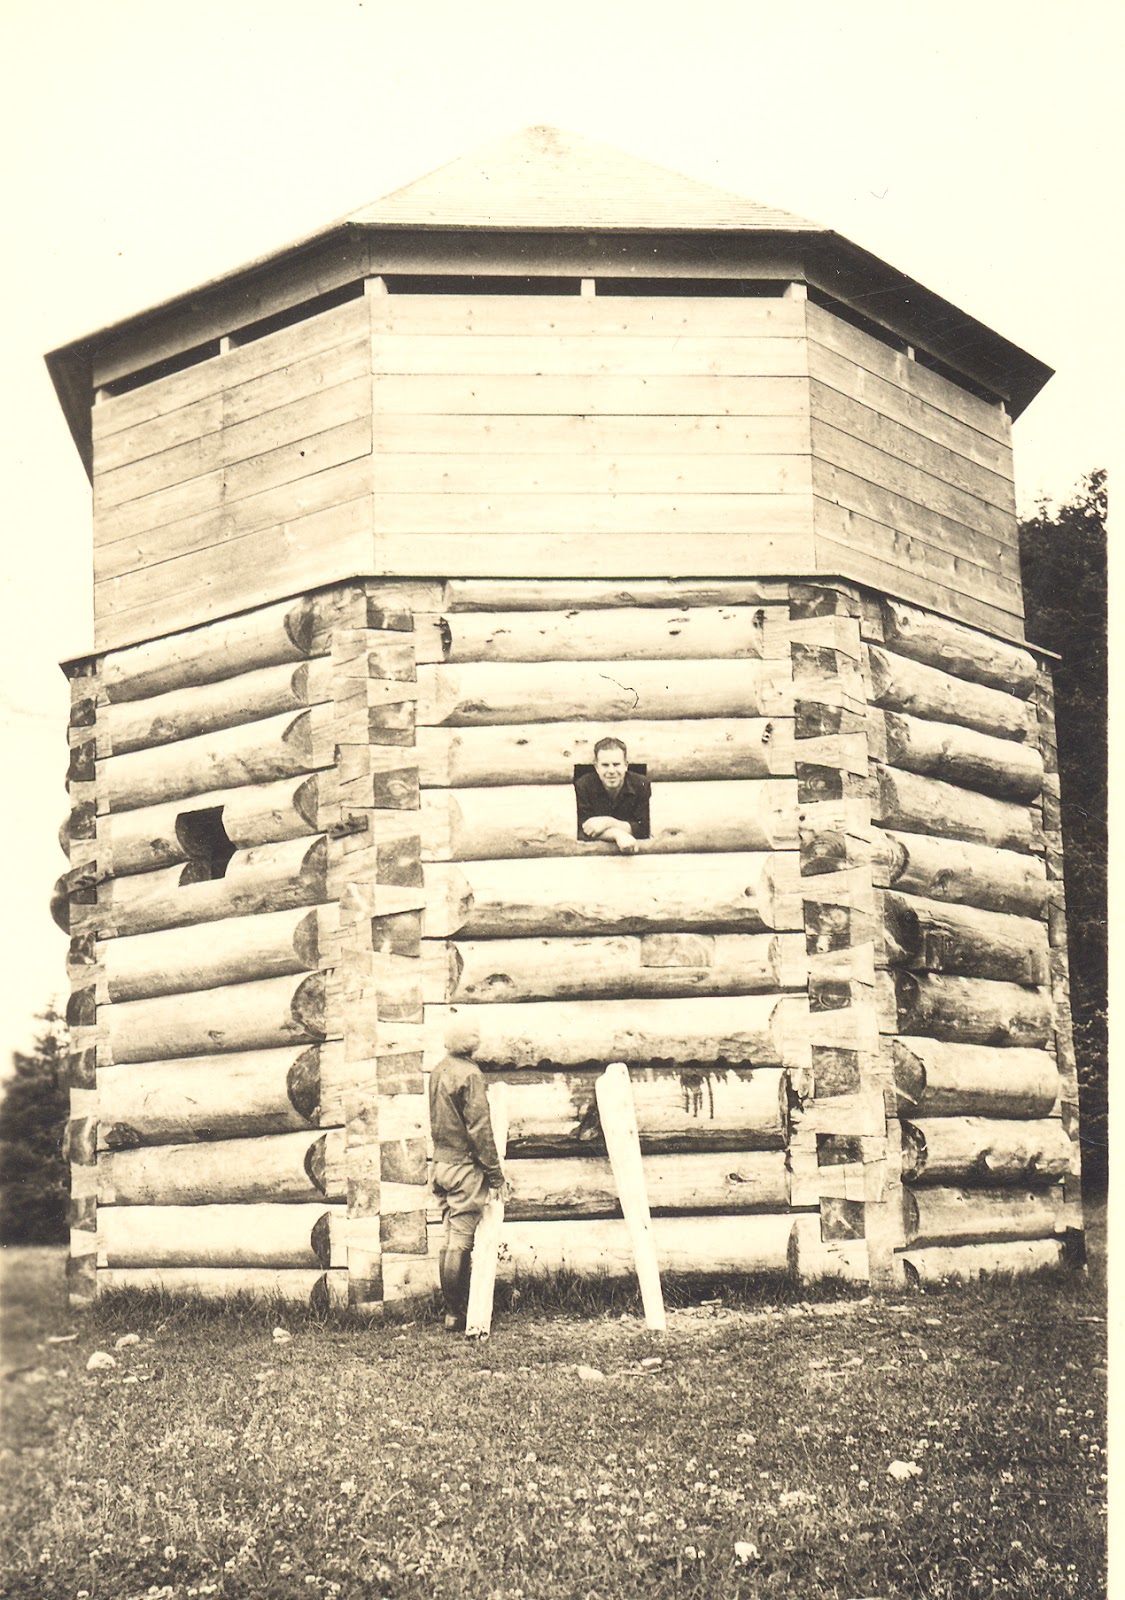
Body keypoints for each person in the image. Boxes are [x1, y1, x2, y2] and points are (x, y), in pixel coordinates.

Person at [428, 1051, 508, 1333]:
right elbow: (480, 1129)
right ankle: (456, 1313)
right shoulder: (470, 1074)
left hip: (441, 1165)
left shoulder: (439, 1069)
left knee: (449, 1236)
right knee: (461, 1239)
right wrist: (496, 1175)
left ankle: (451, 1312)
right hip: (463, 1167)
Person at [574, 736, 651, 855]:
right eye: (605, 765)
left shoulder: (641, 784)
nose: (611, 771)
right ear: (596, 767)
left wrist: (608, 822)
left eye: (616, 764)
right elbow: (583, 830)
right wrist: (617, 834)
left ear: (626, 765)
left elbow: (644, 828)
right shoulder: (583, 786)